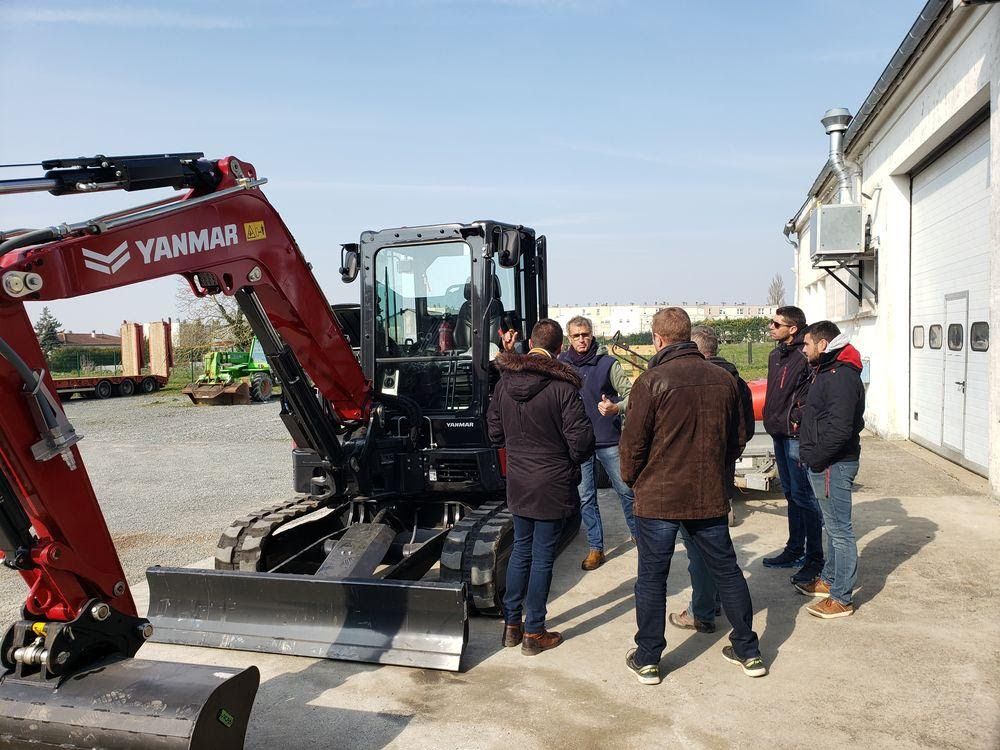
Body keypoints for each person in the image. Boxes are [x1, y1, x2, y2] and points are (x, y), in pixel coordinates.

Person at [620, 308, 765, 684]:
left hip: (659, 498)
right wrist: (716, 470)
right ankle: (749, 651)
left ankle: (648, 658)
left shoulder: (650, 382)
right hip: (707, 493)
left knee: (652, 578)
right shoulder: (724, 379)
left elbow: (632, 446)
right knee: (728, 571)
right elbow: (737, 438)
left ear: (658, 339)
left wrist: (633, 479)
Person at [486, 318, 595, 655]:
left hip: (519, 480)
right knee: (542, 556)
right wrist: (568, 460)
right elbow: (582, 441)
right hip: (552, 481)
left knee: (521, 549)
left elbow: (494, 433)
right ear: (560, 348)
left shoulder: (505, 383)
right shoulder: (563, 387)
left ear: (530, 342)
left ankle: (512, 625)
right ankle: (534, 631)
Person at [669, 324, 755, 634]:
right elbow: (742, 434)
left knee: (698, 550)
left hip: (692, 479)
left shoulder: (693, 381)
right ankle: (713, 601)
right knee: (716, 547)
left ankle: (702, 610)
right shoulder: (736, 381)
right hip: (722, 476)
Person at [796, 321, 865, 618]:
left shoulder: (841, 375)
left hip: (832, 465)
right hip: (825, 462)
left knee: (840, 531)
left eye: (807, 344)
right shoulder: (828, 369)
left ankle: (841, 598)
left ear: (823, 345)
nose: (803, 349)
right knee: (832, 527)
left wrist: (816, 458)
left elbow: (840, 429)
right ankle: (829, 580)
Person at [557, 316, 637, 570]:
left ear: (592, 335)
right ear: (569, 339)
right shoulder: (562, 365)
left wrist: (616, 408)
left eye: (586, 334)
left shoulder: (608, 364)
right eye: (576, 335)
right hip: (578, 444)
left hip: (608, 440)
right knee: (586, 497)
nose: (582, 339)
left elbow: (631, 395)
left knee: (625, 490)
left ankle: (641, 537)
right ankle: (596, 548)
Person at [761, 305, 825, 586]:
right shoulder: (776, 355)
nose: (771, 327)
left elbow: (813, 392)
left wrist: (797, 418)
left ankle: (815, 558)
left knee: (805, 497)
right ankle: (794, 549)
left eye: (777, 324)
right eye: (772, 323)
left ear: (793, 329)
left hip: (795, 436)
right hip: (777, 431)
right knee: (790, 494)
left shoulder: (806, 355)